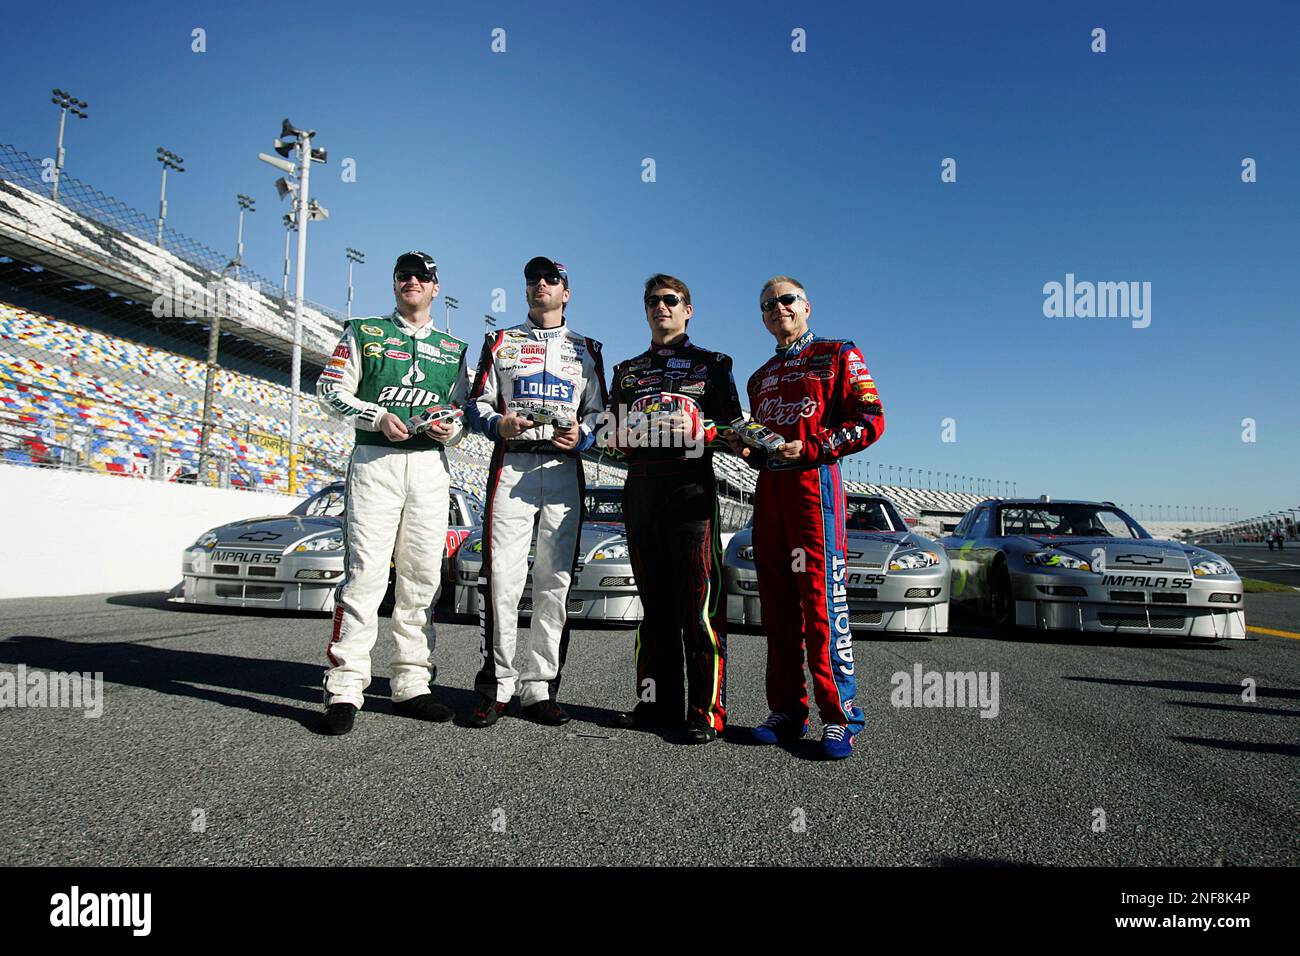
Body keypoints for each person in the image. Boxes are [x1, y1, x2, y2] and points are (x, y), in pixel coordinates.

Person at [731, 276, 885, 760]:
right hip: (770, 490)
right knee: (776, 608)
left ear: (806, 306)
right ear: (762, 319)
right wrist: (746, 449)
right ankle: (787, 710)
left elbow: (871, 418)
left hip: (814, 487)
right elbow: (763, 444)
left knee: (821, 604)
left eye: (786, 299)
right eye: (767, 306)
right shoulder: (758, 379)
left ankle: (841, 717)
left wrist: (815, 446)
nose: (778, 308)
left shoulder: (839, 353)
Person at [316, 251, 469, 735]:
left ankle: (411, 682)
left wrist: (453, 431)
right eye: (404, 275)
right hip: (375, 461)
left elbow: (465, 412)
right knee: (365, 577)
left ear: (436, 287)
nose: (412, 282)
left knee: (423, 578)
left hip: (429, 467)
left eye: (422, 276)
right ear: (395, 282)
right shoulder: (364, 331)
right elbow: (328, 389)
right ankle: (345, 686)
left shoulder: (454, 348)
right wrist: (377, 416)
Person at [462, 256, 608, 728]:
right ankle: (497, 685)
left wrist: (583, 436)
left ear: (567, 292)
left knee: (554, 582)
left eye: (551, 279)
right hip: (512, 463)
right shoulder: (500, 341)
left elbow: (600, 415)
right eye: (533, 279)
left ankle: (540, 686)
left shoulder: (588, 349)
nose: (540, 284)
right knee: (502, 577)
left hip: (563, 468)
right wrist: (496, 423)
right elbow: (475, 403)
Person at [604, 274, 743, 743]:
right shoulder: (627, 369)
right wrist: (615, 436)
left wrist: (705, 431)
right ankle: (655, 701)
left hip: (691, 494)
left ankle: (706, 711)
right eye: (652, 301)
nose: (660, 307)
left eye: (670, 300)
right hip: (642, 493)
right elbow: (607, 433)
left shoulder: (714, 364)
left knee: (698, 607)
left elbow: (736, 431)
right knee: (654, 607)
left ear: (688, 308)